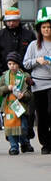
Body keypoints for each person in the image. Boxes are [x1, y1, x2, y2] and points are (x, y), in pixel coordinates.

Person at [0, 6, 36, 152]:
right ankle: (14, 143)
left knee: (26, 114)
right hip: (7, 79)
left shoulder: (28, 35)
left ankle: (26, 141)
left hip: (26, 78)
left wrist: (29, 75)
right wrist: (2, 72)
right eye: (8, 21)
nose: (11, 23)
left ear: (19, 20)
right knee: (11, 117)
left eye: (14, 21)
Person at [22, 9, 51, 153]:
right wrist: (37, 60)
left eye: (49, 27)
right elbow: (25, 63)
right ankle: (45, 143)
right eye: (44, 27)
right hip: (39, 84)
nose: (47, 30)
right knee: (42, 115)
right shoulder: (34, 45)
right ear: (40, 29)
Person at [0, 52, 31, 154]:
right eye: (10, 64)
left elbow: (30, 93)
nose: (12, 66)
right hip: (8, 106)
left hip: (20, 106)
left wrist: (24, 96)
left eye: (14, 64)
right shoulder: (5, 76)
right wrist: (7, 88)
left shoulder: (24, 76)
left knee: (23, 127)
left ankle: (24, 142)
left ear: (18, 64)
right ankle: (14, 147)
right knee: (10, 127)